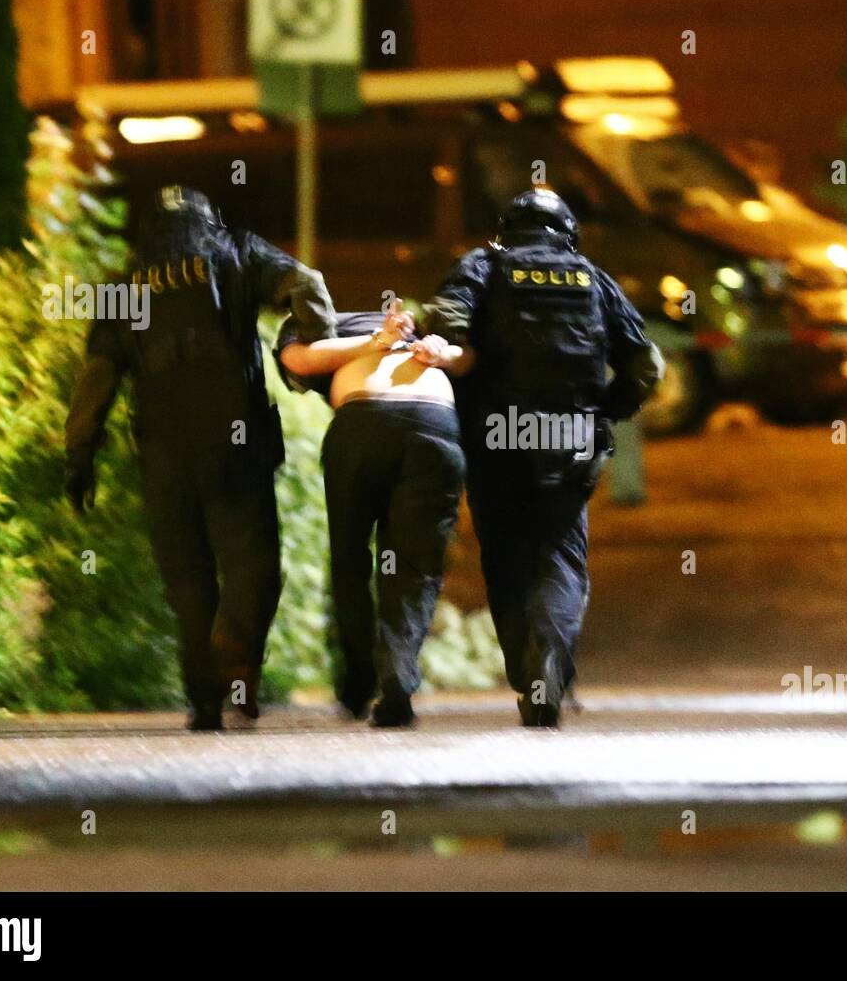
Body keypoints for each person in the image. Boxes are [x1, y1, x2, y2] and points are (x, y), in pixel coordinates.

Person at [64, 185, 335, 731]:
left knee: (187, 579)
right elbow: (307, 285)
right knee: (252, 567)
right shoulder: (235, 251)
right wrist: (312, 346)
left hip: (163, 450)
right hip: (235, 441)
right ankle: (235, 647)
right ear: (206, 218)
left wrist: (79, 455)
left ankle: (205, 702)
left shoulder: (125, 284)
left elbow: (96, 378)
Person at [416, 188, 664, 728]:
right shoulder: (592, 278)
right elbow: (647, 365)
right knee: (559, 554)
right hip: (571, 433)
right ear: (567, 232)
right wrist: (607, 409)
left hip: (496, 434)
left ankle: (528, 675)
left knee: (505, 559)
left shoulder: (484, 265)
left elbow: (445, 325)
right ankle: (549, 658)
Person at [276, 302, 468, 727]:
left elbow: (297, 359)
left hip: (362, 422)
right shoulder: (422, 338)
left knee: (350, 562)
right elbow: (470, 358)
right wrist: (437, 351)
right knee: (414, 566)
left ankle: (359, 683)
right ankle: (398, 676)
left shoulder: (318, 328)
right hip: (433, 422)